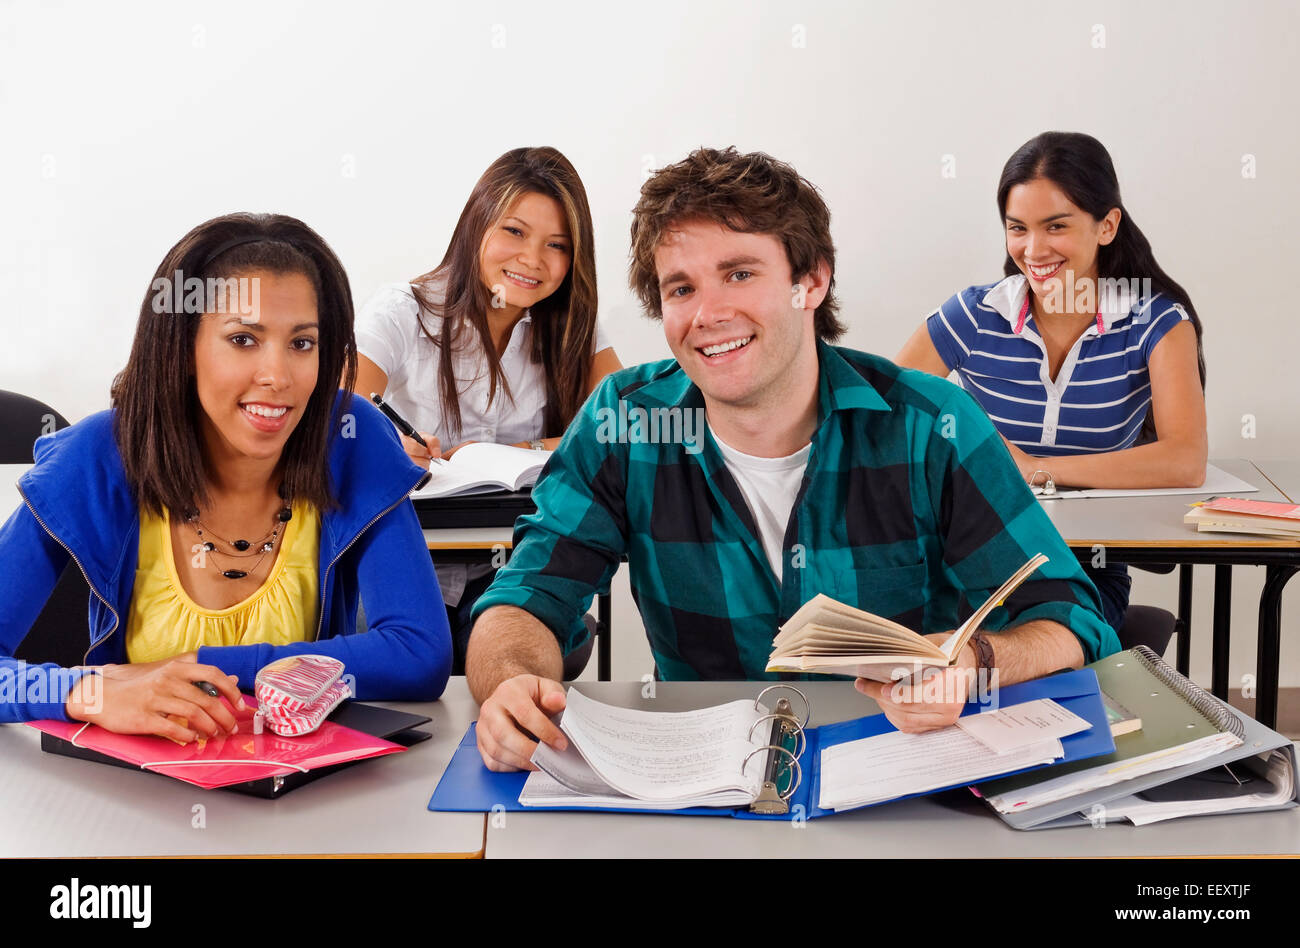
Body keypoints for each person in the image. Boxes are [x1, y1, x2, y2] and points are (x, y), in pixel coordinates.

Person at [465, 146, 1121, 772]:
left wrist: (974, 662)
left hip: (904, 782)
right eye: (681, 288)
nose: (710, 313)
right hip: (709, 789)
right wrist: (512, 685)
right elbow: (522, 601)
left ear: (812, 281)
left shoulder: (931, 426)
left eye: (740, 274)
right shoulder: (625, 421)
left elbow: (1070, 617)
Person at [0, 213, 451, 739]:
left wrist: (197, 664)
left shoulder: (352, 440)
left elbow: (419, 652)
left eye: (302, 343)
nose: (278, 377)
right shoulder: (98, 456)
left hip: (300, 796)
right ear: (182, 347)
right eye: (243, 340)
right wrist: (95, 690)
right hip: (136, 797)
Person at [895, 131, 1208, 635]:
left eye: (1055, 226)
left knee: (1015, 662)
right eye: (1017, 228)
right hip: (966, 567)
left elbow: (1185, 459)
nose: (1033, 248)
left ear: (1107, 226)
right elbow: (887, 417)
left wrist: (1036, 469)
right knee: (933, 663)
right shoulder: (972, 316)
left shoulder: (1157, 323)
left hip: (1084, 570)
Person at [350, 146, 621, 672]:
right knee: (396, 661)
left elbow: (619, 429)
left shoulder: (572, 326)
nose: (532, 260)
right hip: (405, 574)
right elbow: (338, 411)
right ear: (477, 225)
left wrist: (522, 450)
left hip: (517, 573)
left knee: (560, 646)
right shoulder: (406, 310)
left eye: (556, 245)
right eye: (514, 232)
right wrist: (386, 442)